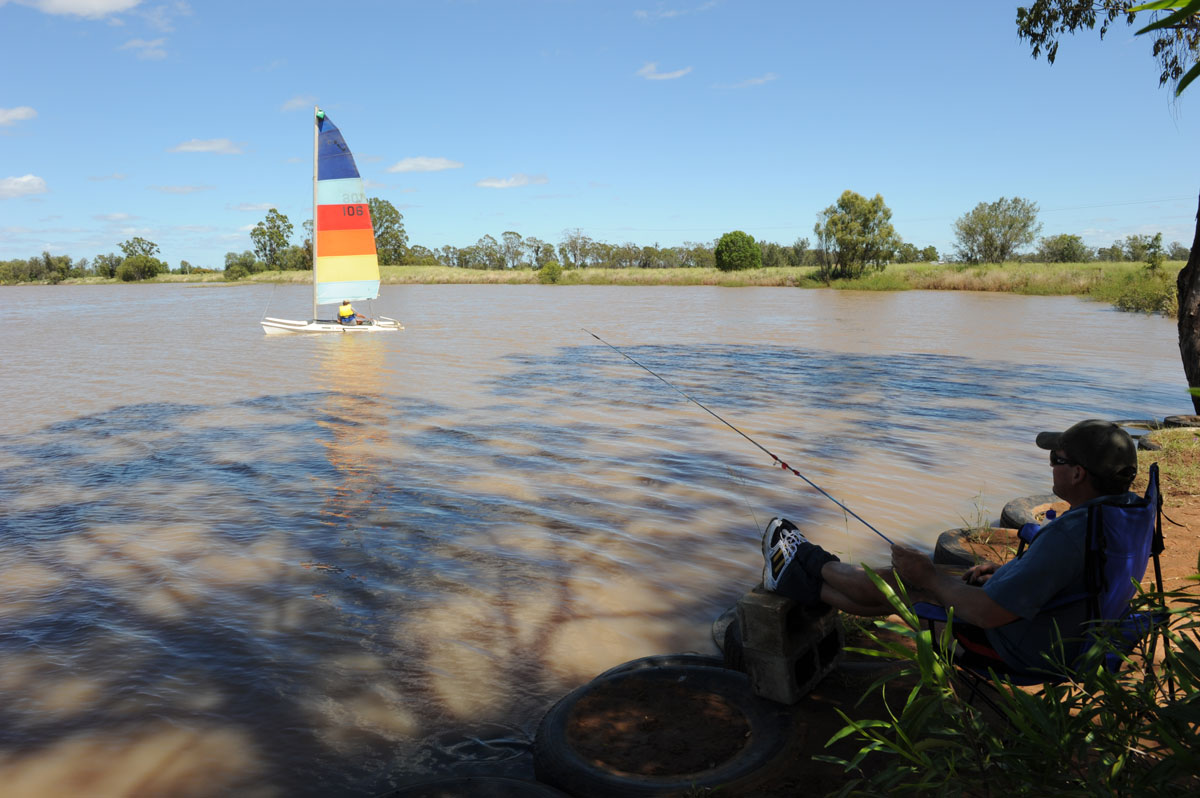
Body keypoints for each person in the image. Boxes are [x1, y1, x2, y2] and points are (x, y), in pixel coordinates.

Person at [761, 419, 1140, 672]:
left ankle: (807, 560)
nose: (1051, 466)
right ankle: (800, 569)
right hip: (1065, 631)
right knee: (914, 582)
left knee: (907, 586)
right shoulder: (1121, 516)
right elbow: (1059, 577)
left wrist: (928, 576)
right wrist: (1006, 571)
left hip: (1019, 648)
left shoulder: (1070, 535)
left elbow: (987, 615)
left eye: (1057, 459)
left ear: (1077, 473)